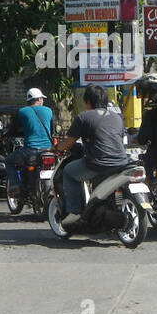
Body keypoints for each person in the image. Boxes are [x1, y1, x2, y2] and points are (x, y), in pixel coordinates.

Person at [57, 84, 130, 219]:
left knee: (68, 172)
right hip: (121, 162)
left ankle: (75, 213)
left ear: (88, 102)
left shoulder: (84, 117)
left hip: (98, 164)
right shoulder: (117, 117)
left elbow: (69, 142)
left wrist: (55, 148)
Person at [5, 87, 55, 188]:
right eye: (42, 99)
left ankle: (15, 187)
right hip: (48, 150)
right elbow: (52, 130)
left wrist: (7, 135)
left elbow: (13, 130)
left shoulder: (22, 112)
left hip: (30, 150)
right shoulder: (49, 110)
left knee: (8, 161)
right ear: (40, 99)